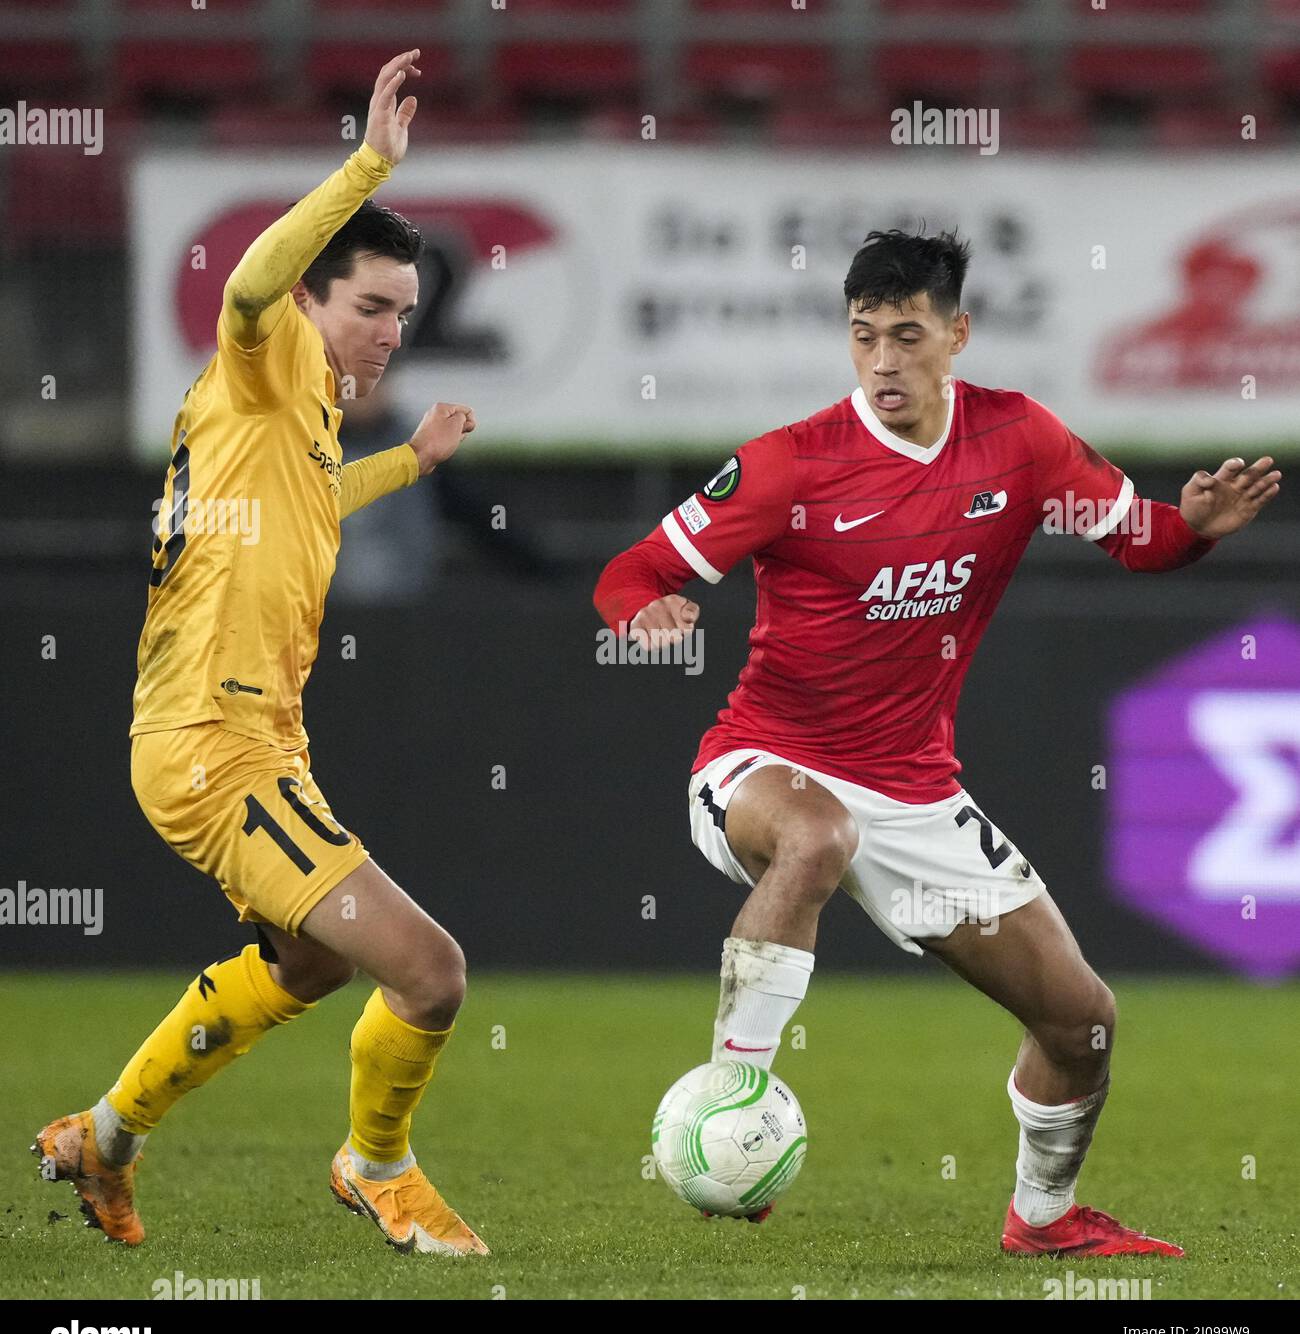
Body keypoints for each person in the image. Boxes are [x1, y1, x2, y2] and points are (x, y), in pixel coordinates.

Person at [593, 228, 1281, 1256]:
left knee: (1080, 1021)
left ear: (956, 335)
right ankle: (733, 1090)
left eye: (906, 336)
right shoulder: (789, 464)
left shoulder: (1020, 441)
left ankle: (1042, 1218)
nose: (881, 362)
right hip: (761, 764)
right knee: (818, 834)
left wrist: (1196, 527)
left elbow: (1141, 541)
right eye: (862, 336)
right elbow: (630, 572)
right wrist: (642, 616)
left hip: (914, 795)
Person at [35, 51, 489, 1257]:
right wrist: (367, 167)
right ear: (314, 303)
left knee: (309, 963)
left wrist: (409, 467)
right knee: (429, 971)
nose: (392, 332)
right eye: (370, 307)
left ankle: (106, 1136)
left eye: (404, 311)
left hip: (228, 738)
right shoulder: (270, 350)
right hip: (215, 745)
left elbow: (305, 509)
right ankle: (375, 1164)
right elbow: (245, 286)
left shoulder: (295, 415)